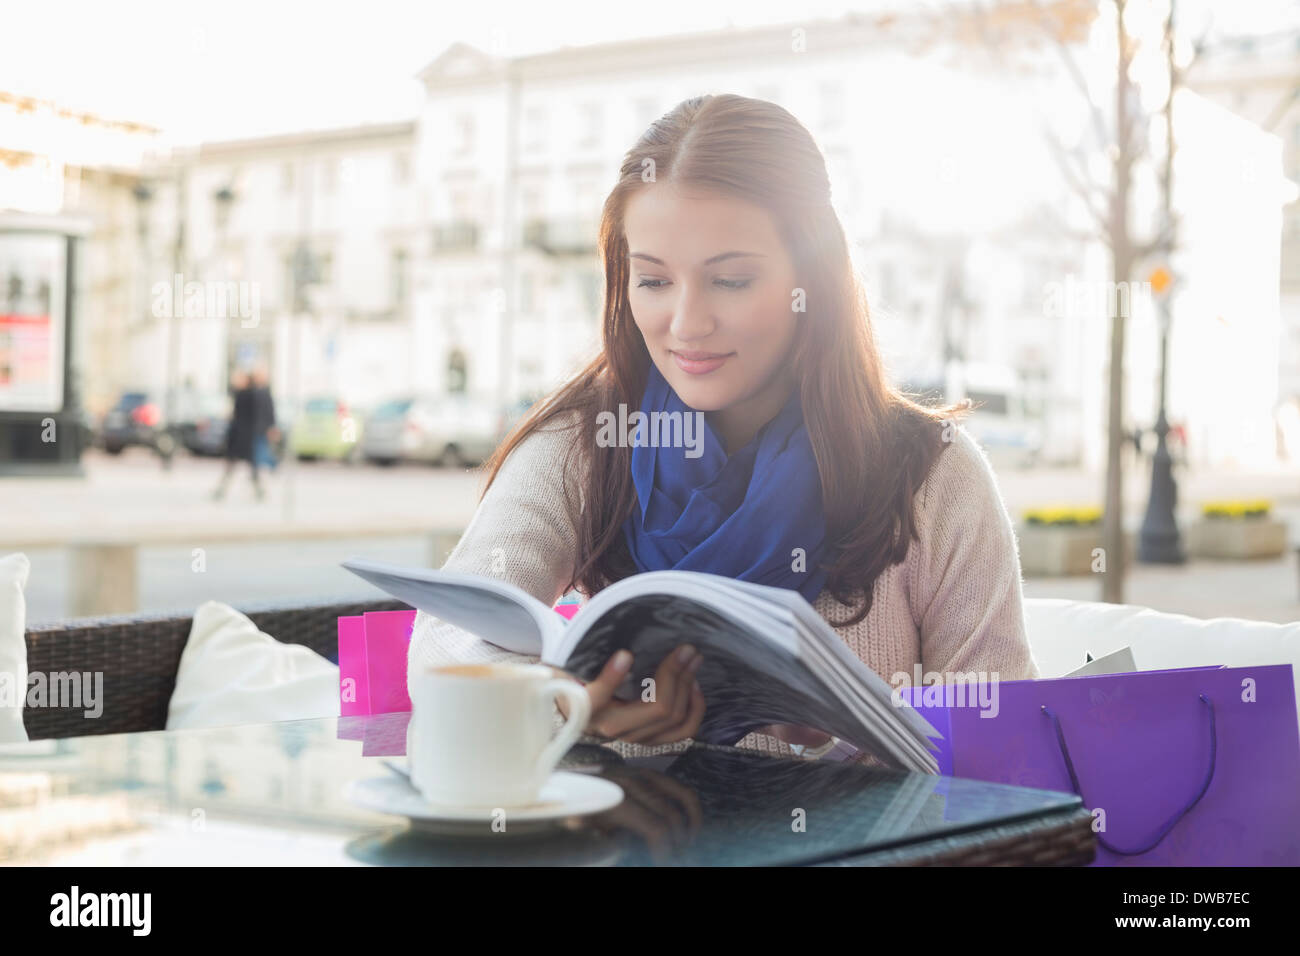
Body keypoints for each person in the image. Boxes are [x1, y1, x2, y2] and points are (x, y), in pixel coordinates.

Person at [409, 94, 1038, 763]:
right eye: (653, 280)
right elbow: (447, 641)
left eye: (731, 280)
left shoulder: (936, 474)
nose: (686, 323)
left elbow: (999, 747)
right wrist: (561, 701)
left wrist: (849, 740)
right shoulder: (587, 444)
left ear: (813, 278)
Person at [212, 369, 268, 501]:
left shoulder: (248, 395)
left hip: (243, 436)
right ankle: (257, 491)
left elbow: (254, 416)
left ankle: (222, 490)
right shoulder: (243, 394)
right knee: (242, 466)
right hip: (241, 436)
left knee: (243, 466)